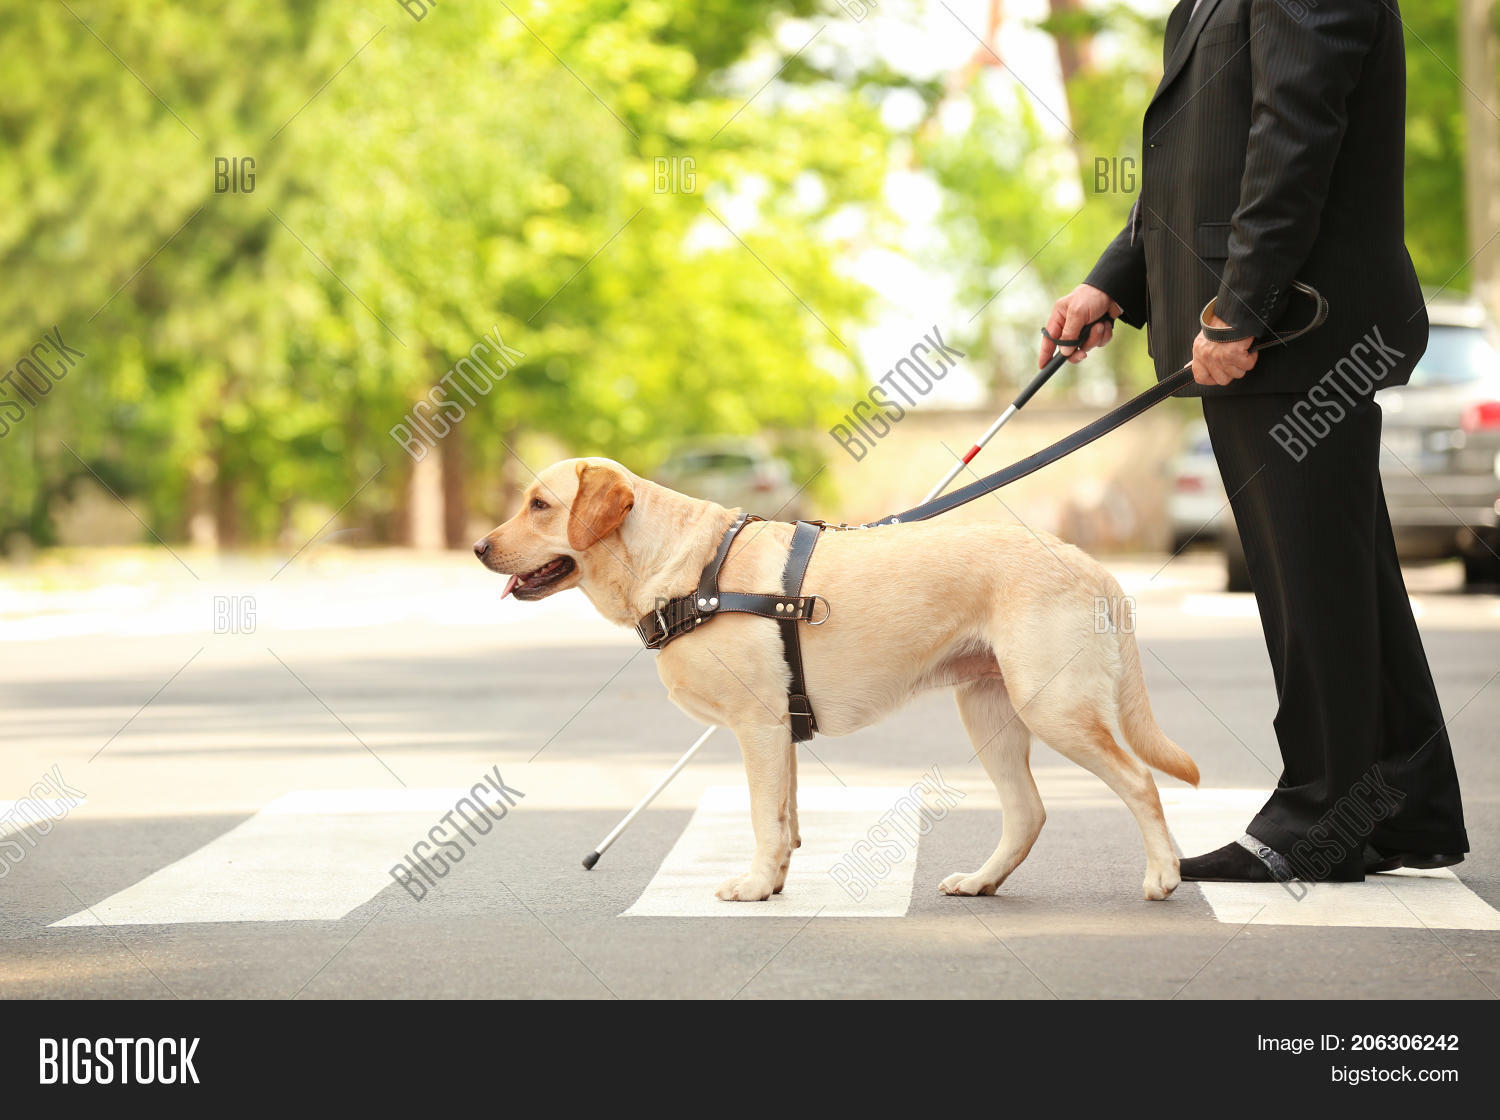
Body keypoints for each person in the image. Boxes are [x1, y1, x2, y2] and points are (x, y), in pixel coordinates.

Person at [1038, 0, 1468, 881]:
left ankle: (1321, 821)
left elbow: (1295, 134)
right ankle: (1404, 807)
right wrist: (1114, 282)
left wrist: (1243, 307)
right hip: (1267, 327)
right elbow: (1206, 157)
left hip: (1291, 332)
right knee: (1342, 579)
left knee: (1311, 583)